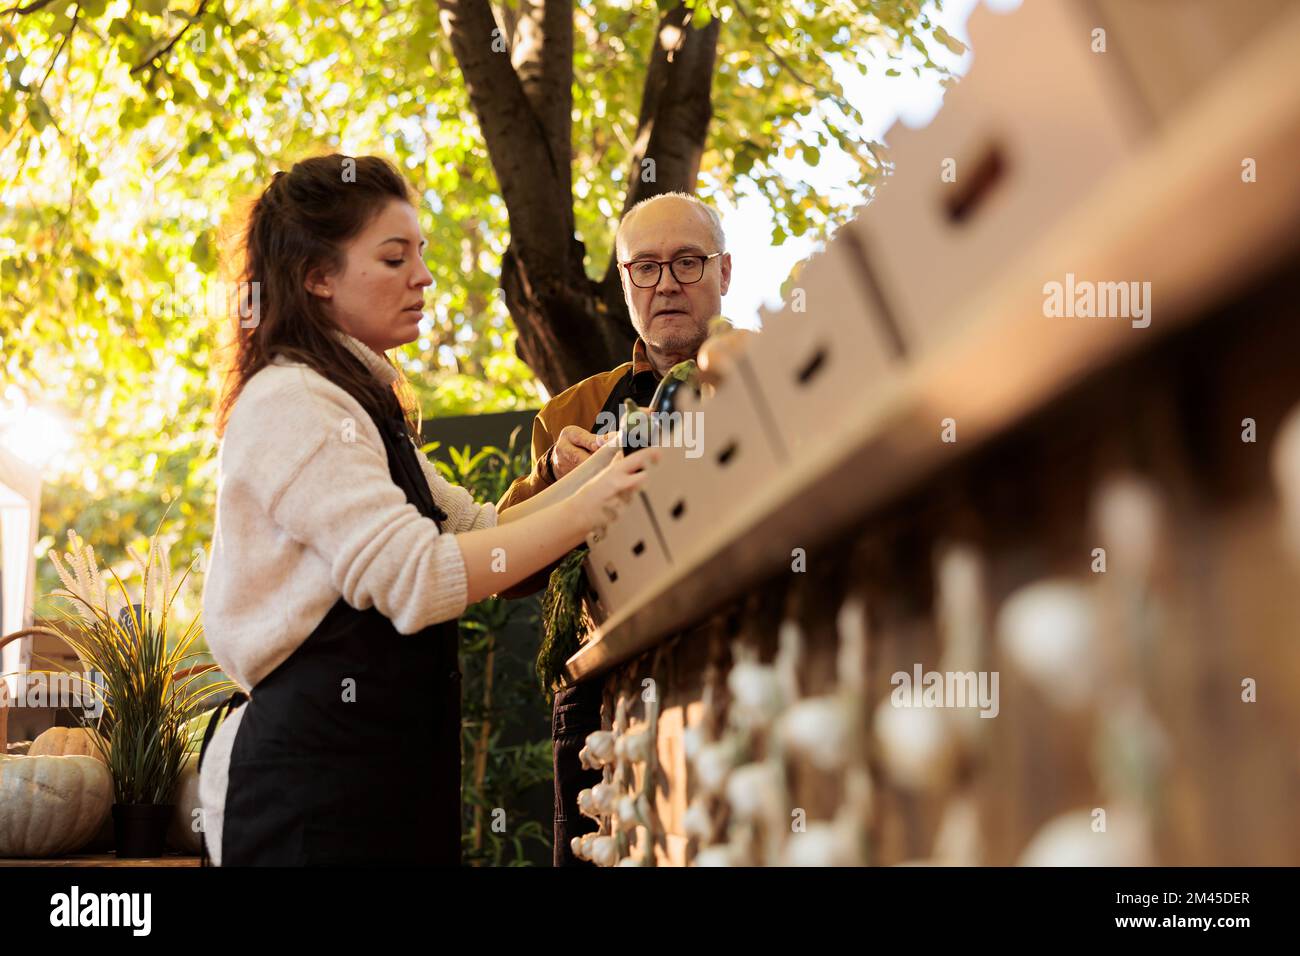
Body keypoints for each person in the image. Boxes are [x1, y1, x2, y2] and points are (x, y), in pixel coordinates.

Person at [197, 154, 653, 866]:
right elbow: (416, 577)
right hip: (310, 797)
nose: (424, 276)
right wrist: (594, 504)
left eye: (422, 254)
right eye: (393, 256)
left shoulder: (360, 402)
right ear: (317, 275)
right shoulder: (295, 402)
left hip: (385, 776)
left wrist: (598, 466)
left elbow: (482, 534)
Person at [496, 191, 733, 865]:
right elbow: (507, 565)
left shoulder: (769, 370)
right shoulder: (573, 410)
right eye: (645, 267)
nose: (666, 284)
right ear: (625, 281)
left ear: (725, 273)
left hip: (745, 656)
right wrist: (551, 476)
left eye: (688, 262)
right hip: (601, 692)